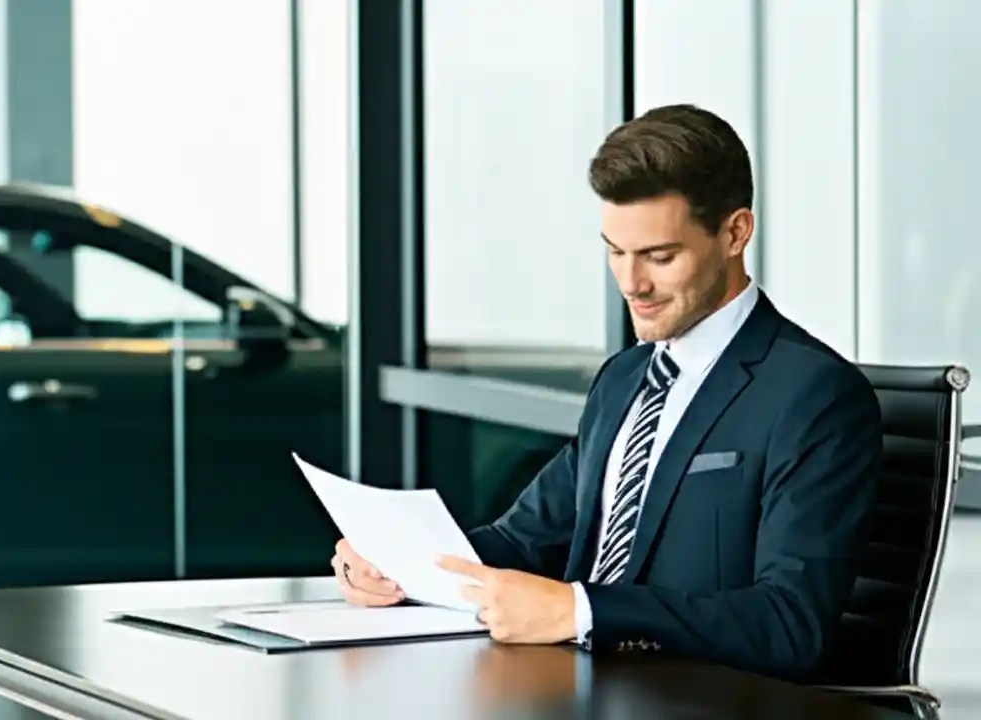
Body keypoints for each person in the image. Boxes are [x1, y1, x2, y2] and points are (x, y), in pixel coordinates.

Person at [330, 103, 881, 682]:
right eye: (616, 252)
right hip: (577, 688)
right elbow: (523, 541)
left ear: (735, 233)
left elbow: (790, 624)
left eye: (660, 257)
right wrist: (401, 566)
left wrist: (580, 611)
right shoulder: (624, 380)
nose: (632, 284)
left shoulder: (814, 395)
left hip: (697, 699)